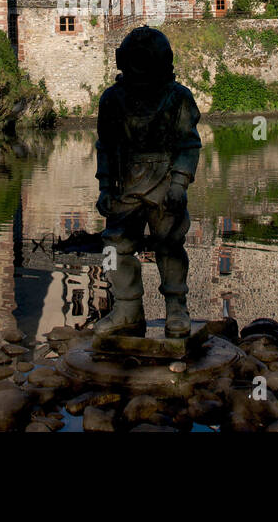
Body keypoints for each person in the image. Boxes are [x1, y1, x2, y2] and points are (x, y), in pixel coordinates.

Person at [94, 26, 201, 338]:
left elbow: (188, 144)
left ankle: (177, 308)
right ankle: (127, 307)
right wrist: (104, 186)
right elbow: (106, 146)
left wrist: (180, 184)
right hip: (124, 184)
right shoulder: (112, 100)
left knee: (169, 244)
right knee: (116, 245)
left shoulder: (177, 97)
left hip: (165, 184)